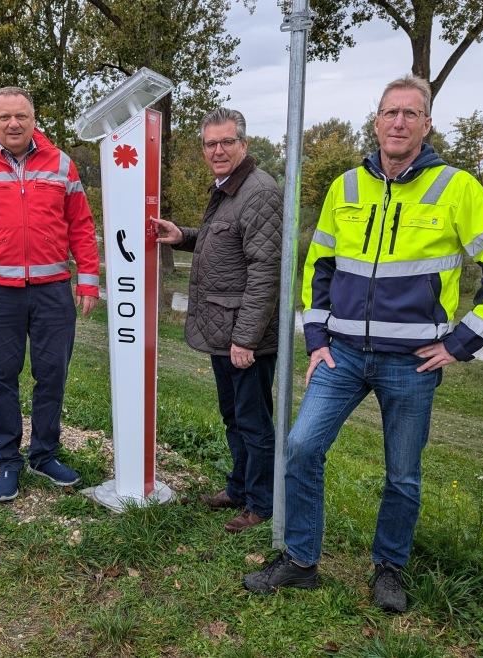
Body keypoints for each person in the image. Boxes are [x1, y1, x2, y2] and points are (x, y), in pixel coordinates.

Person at [243, 75, 483, 611]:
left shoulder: (457, 188)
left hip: (414, 364)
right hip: (343, 354)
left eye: (410, 114)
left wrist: (463, 341)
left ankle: (389, 569)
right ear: (375, 121)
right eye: (389, 112)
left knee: (402, 474)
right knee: (302, 448)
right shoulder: (346, 186)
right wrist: (317, 336)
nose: (398, 122)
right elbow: (320, 267)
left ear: (426, 124)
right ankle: (301, 561)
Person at [0, 86, 100, 502]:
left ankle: (44, 454)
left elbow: (81, 225)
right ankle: (8, 458)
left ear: (33, 119)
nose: (13, 124)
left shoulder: (61, 163)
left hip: (52, 292)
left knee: (52, 375)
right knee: (1, 378)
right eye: (5, 117)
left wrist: (87, 279)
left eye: (21, 116)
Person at [153, 107, 283, 534]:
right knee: (234, 415)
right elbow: (227, 243)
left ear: (244, 144)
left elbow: (266, 270)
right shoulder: (228, 189)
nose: (218, 150)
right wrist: (184, 236)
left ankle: (261, 504)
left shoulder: (259, 192)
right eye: (211, 143)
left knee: (254, 420)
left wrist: (245, 339)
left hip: (246, 338)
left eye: (227, 142)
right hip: (223, 333)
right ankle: (240, 487)